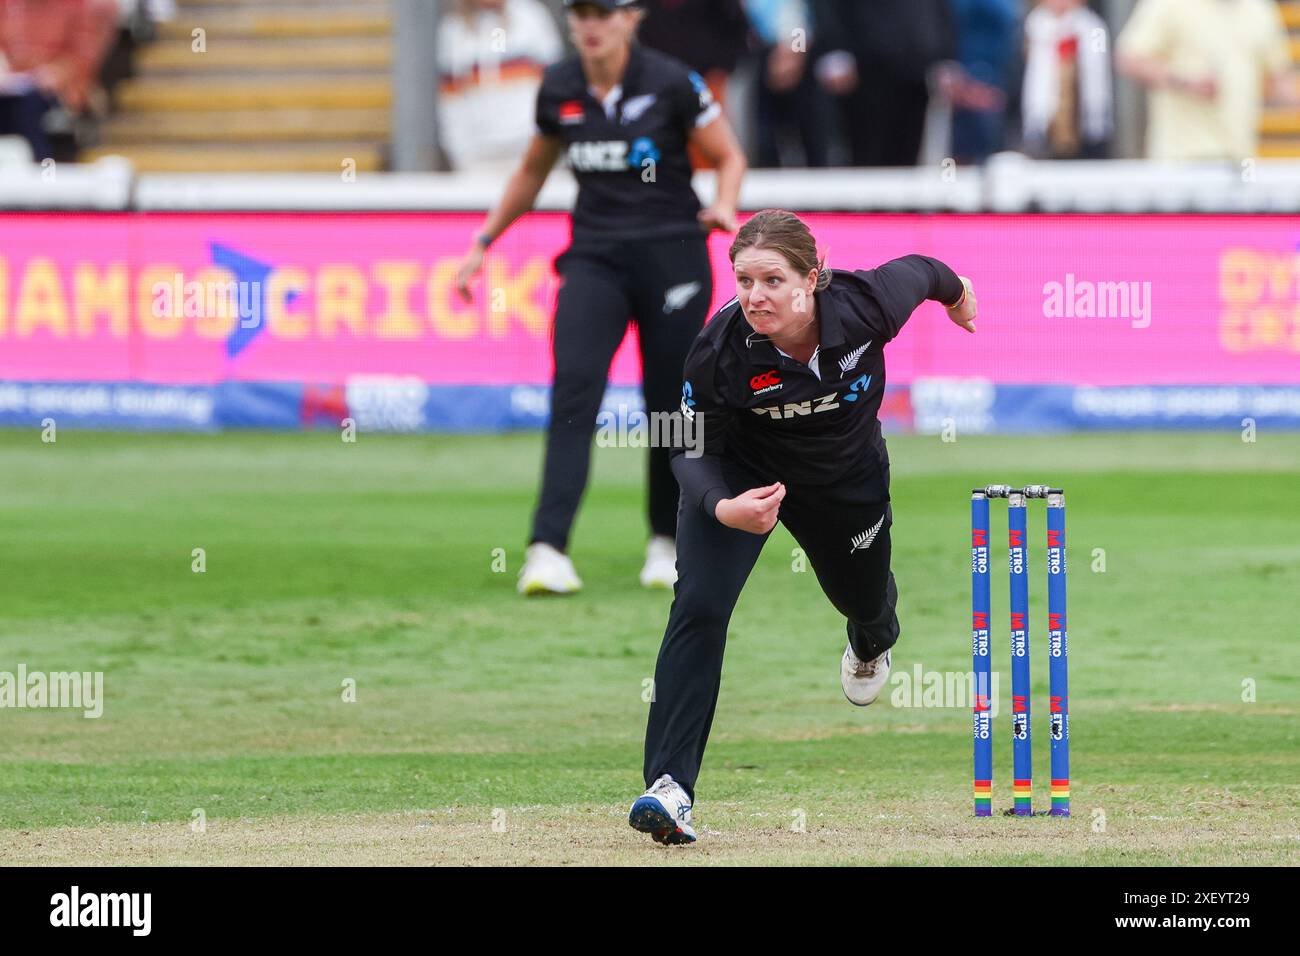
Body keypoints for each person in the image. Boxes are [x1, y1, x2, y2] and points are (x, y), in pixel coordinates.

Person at [627, 209, 977, 844]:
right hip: (741, 476)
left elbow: (928, 272)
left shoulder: (866, 303)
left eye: (772, 280)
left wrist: (959, 296)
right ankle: (668, 789)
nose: (755, 297)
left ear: (812, 279)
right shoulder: (718, 349)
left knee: (864, 602)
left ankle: (872, 641)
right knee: (699, 607)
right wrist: (721, 508)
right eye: (743, 281)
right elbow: (682, 444)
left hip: (845, 480)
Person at [453, 0, 748, 595]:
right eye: (581, 13)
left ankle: (667, 543)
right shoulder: (559, 86)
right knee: (574, 388)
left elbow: (728, 154)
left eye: (604, 13)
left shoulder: (672, 82)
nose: (591, 24)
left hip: (672, 259)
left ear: (632, 18)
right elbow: (533, 173)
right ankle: (547, 549)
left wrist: (724, 203)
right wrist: (484, 241)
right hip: (592, 259)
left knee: (669, 404)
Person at [1117, 0, 1293, 162]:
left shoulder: (1259, 8)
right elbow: (1129, 58)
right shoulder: (1168, 3)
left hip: (1238, 159)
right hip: (1182, 160)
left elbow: (1280, 80)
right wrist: (1185, 82)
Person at [435, 0, 563, 172]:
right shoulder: (453, 29)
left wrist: (548, 141)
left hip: (530, 150)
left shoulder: (530, 16)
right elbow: (450, 101)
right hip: (478, 159)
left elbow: (555, 85)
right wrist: (460, 152)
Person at [1022, 0, 1112, 160]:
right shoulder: (1034, 26)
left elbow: (1099, 68)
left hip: (1084, 120)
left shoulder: (1095, 29)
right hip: (1044, 118)